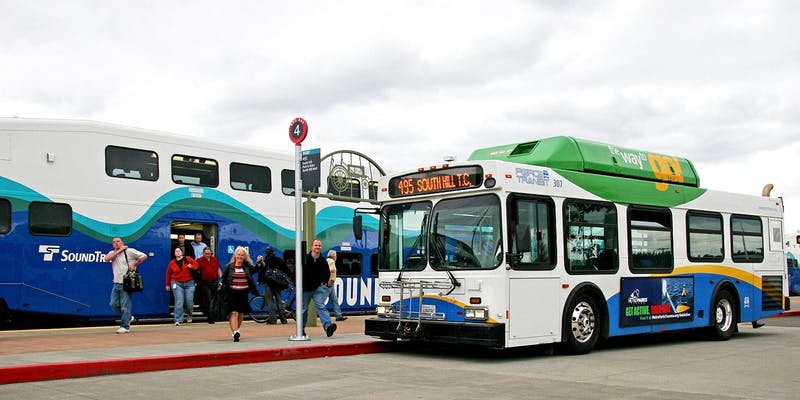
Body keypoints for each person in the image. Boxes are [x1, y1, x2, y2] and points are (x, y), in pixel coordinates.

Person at [104, 237, 148, 334]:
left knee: (125, 306)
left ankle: (125, 326)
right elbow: (106, 259)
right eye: (114, 242)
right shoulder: (112, 253)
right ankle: (128, 317)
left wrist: (135, 264)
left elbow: (144, 256)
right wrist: (119, 250)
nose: (116, 243)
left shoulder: (130, 251)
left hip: (126, 283)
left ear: (122, 242)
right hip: (116, 283)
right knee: (113, 304)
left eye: (118, 241)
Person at [220, 246, 258, 342]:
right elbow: (223, 279)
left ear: (245, 256)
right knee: (234, 312)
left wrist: (259, 262)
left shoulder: (247, 267)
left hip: (243, 293)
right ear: (235, 255)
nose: (240, 257)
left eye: (242, 255)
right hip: (232, 293)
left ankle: (237, 329)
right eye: (238, 255)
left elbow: (256, 270)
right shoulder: (229, 266)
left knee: (240, 313)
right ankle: (235, 332)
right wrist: (220, 287)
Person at [301, 239, 337, 337]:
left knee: (320, 306)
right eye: (316, 245)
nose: (318, 247)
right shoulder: (305, 258)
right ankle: (301, 329)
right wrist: (298, 284)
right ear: (312, 246)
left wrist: (323, 282)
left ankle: (328, 327)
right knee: (303, 309)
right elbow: (297, 271)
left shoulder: (322, 260)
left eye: (319, 246)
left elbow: (327, 273)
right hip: (305, 288)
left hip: (317, 288)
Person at [256, 248, 291, 324]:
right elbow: (286, 269)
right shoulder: (278, 259)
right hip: (277, 284)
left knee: (270, 301)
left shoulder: (265, 261)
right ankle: (283, 319)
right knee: (279, 300)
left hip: (268, 283)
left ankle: (273, 319)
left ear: (266, 253)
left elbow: (261, 271)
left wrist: (259, 280)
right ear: (273, 252)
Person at [165, 247, 199, 325]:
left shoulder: (187, 258)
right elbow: (168, 274)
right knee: (179, 301)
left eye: (179, 251)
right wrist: (167, 284)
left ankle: (189, 314)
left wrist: (191, 266)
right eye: (176, 251)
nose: (177, 252)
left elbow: (196, 265)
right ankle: (178, 319)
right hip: (176, 283)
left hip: (189, 283)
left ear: (182, 252)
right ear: (174, 253)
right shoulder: (172, 263)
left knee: (189, 301)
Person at [196, 247, 222, 321]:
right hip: (203, 283)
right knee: (208, 297)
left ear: (211, 253)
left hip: (213, 282)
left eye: (209, 253)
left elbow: (218, 269)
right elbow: (195, 271)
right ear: (203, 253)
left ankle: (212, 314)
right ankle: (210, 316)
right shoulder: (199, 261)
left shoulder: (214, 260)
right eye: (206, 253)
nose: (207, 255)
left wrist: (221, 279)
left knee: (214, 299)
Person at [325, 250, 347, 321]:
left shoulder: (326, 260)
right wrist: (330, 280)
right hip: (329, 284)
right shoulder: (331, 261)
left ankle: (338, 315)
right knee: (321, 301)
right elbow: (332, 270)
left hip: (329, 284)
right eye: (336, 256)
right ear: (334, 256)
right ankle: (327, 316)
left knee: (334, 300)